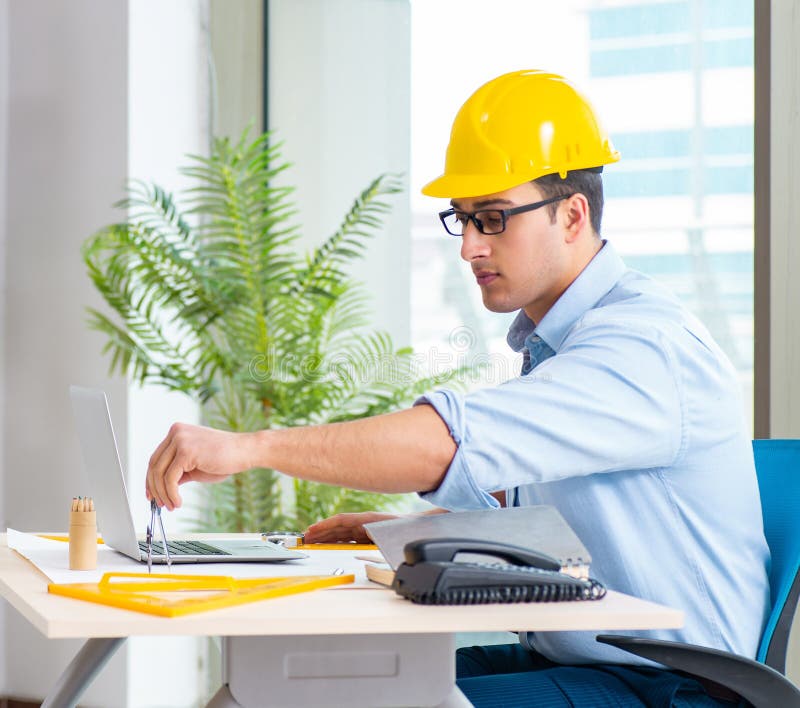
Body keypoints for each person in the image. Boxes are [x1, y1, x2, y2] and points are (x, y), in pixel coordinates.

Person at [147, 70, 770, 707]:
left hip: (672, 686)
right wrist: (422, 529)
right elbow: (582, 523)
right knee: (272, 690)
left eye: (494, 218)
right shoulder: (565, 342)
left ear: (572, 216)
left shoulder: (640, 349)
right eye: (464, 219)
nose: (469, 246)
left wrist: (250, 448)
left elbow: (445, 443)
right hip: (586, 658)